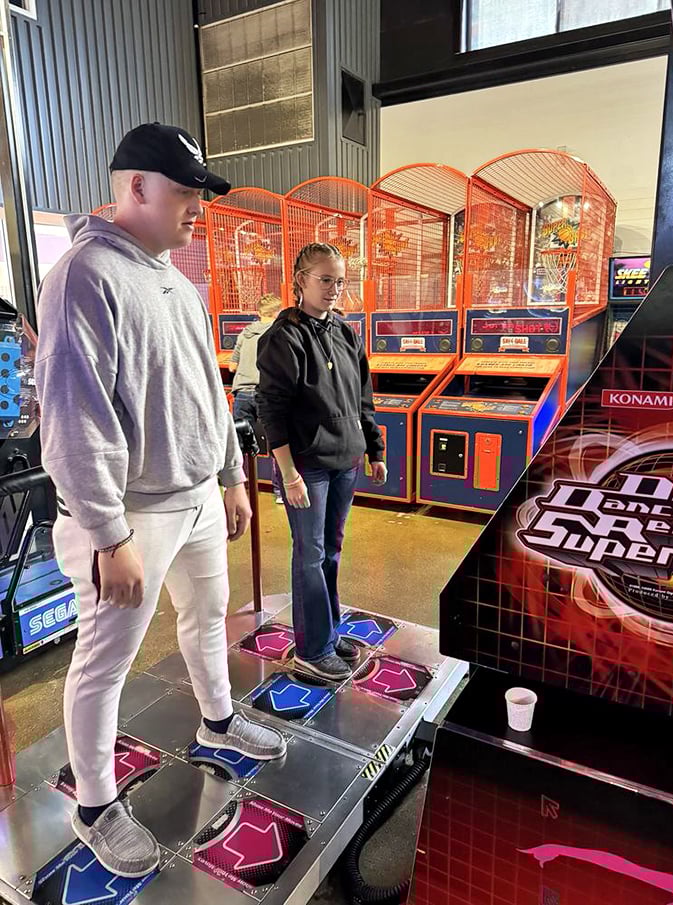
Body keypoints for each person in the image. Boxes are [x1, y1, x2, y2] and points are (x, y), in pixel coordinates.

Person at [35, 122, 286, 879]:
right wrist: (109, 534)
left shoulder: (177, 280)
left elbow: (206, 390)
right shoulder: (84, 274)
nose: (198, 209)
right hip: (129, 514)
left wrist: (231, 474)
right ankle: (96, 805)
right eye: (186, 192)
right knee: (103, 663)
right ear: (136, 186)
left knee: (207, 616)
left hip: (197, 498)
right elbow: (73, 417)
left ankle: (217, 722)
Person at [257, 243, 387, 682]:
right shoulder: (283, 337)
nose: (334, 289)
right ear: (301, 280)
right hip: (306, 467)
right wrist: (288, 473)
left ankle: (327, 633)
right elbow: (270, 410)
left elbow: (362, 399)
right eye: (325, 279)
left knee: (331, 550)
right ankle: (312, 649)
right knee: (309, 555)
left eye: (340, 281)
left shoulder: (346, 334)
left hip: (345, 460)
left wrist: (374, 450)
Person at [229, 293, 284, 502]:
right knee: (276, 444)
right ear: (277, 312)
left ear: (259, 313)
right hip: (267, 395)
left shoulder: (245, 333)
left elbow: (232, 366)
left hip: (242, 393)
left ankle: (236, 488)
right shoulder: (280, 333)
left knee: (240, 444)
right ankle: (279, 492)